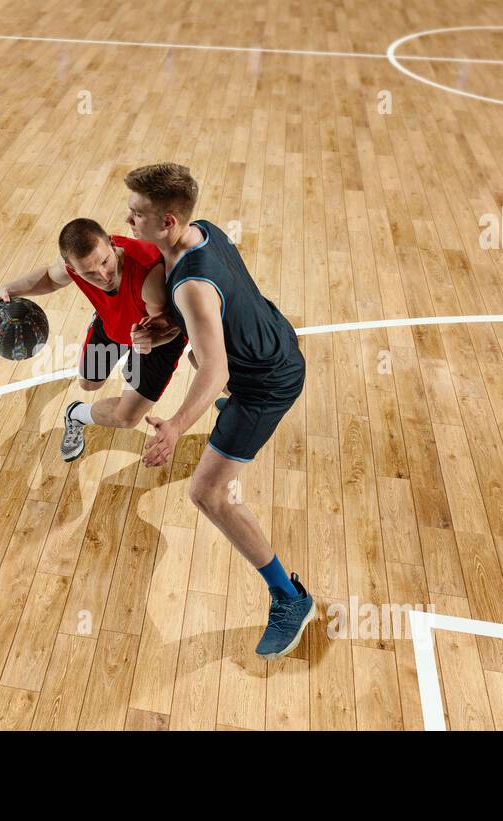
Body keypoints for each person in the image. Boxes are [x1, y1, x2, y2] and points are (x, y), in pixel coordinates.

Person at [123, 162, 314, 659]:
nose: (128, 221)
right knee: (193, 352)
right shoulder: (205, 232)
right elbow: (210, 316)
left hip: (264, 385)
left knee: (208, 494)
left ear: (167, 221)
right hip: (276, 337)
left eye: (137, 214)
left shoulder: (189, 286)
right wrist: (165, 329)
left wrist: (174, 427)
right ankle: (223, 415)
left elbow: (216, 371)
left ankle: (289, 597)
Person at [0, 218, 185, 461]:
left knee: (126, 418)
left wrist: (151, 340)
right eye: (89, 273)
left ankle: (77, 414)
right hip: (116, 325)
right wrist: (7, 289)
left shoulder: (149, 273)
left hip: (158, 340)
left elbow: (171, 326)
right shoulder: (70, 267)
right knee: (89, 383)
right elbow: (50, 277)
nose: (103, 275)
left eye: (105, 262)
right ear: (72, 268)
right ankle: (106, 314)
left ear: (111, 244)